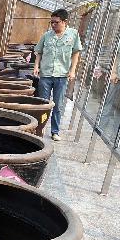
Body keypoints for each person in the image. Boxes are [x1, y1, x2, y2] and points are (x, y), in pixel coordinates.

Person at [33, 9, 83, 141]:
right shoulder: (47, 36)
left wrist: (72, 70)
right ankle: (40, 128)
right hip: (46, 74)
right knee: (43, 103)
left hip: (62, 75)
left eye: (56, 22)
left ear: (64, 22)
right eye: (51, 22)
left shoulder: (73, 35)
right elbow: (39, 52)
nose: (53, 25)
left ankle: (55, 131)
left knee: (58, 104)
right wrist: (36, 66)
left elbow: (76, 53)